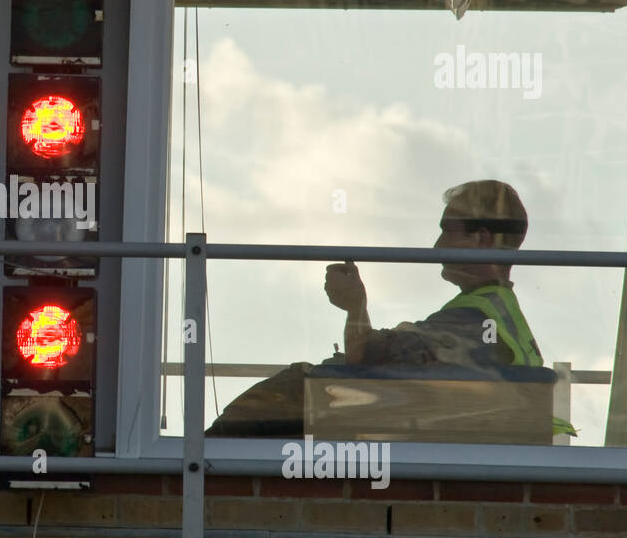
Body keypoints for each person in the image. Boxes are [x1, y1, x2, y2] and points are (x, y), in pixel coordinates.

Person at [206, 180, 549, 437]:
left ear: (482, 238)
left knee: (295, 388)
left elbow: (366, 358)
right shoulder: (497, 311)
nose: (436, 245)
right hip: (475, 444)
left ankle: (202, 472)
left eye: (448, 231)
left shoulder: (477, 315)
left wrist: (355, 306)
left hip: (440, 454)